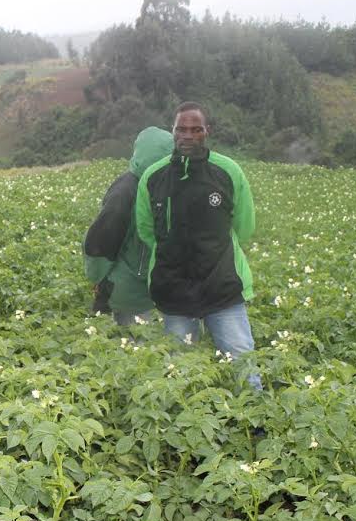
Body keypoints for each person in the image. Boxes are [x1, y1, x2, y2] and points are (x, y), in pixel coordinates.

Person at [136, 102, 262, 390]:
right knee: (180, 369)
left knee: (242, 363)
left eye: (196, 129)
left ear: (207, 132)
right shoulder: (153, 177)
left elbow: (244, 227)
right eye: (181, 129)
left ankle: (255, 426)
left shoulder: (228, 171)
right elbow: (147, 230)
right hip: (174, 290)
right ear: (173, 132)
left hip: (223, 288)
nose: (188, 136)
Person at [83, 127, 174, 325]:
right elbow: (101, 240)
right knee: (132, 346)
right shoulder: (125, 191)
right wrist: (99, 278)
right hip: (127, 289)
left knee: (141, 348)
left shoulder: (165, 185)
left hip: (150, 287)